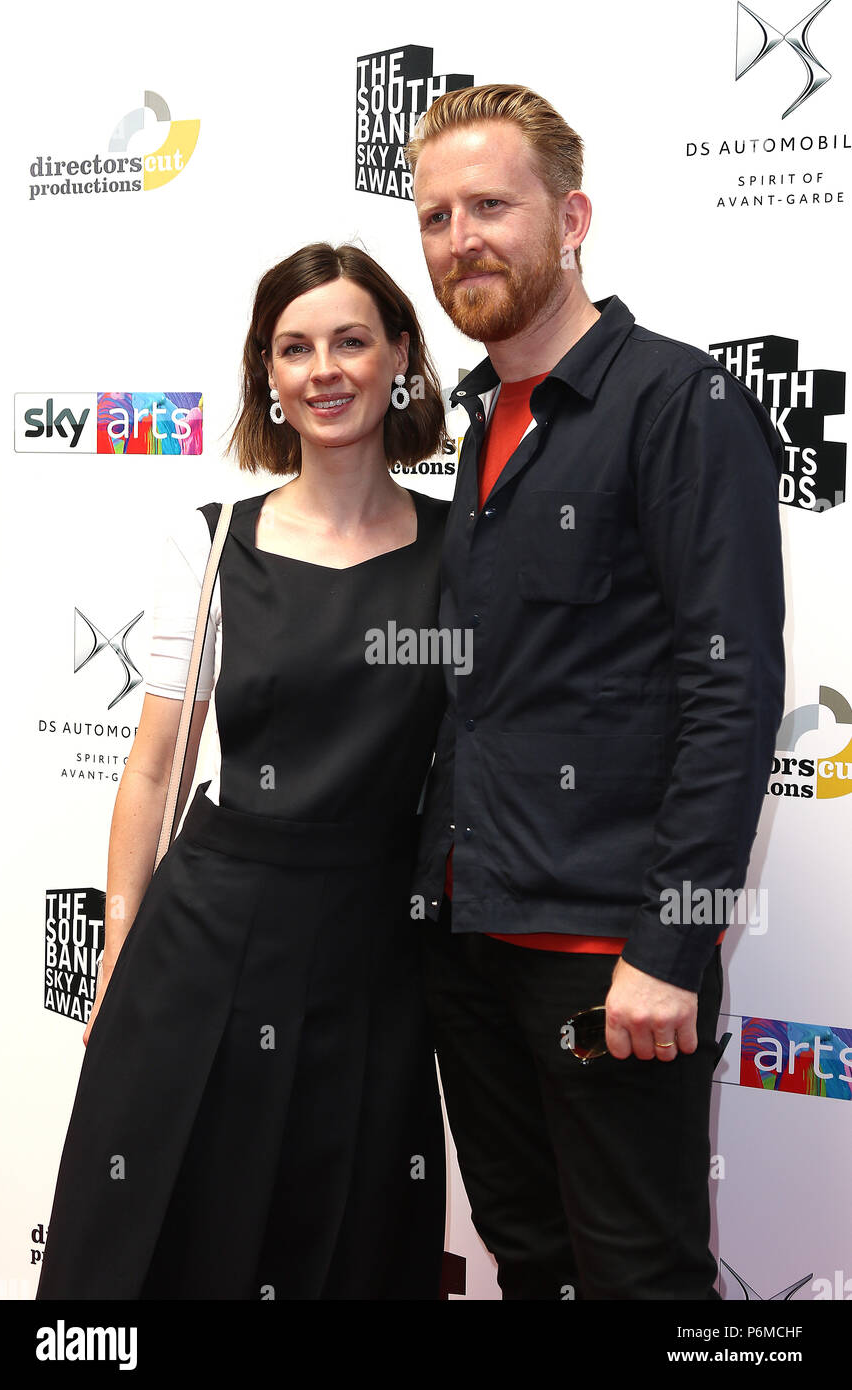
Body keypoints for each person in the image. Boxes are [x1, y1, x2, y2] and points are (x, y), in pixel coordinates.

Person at [407, 85, 786, 1300]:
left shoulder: (679, 403)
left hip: (605, 959)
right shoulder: (480, 422)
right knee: (531, 1260)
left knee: (637, 1276)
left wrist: (669, 946)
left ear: (570, 217)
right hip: (473, 942)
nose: (459, 237)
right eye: (434, 215)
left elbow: (730, 693)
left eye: (489, 206)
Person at [36, 242, 450, 1301]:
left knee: (343, 1238)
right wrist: (119, 945)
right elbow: (154, 763)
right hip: (205, 942)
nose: (324, 369)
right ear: (266, 373)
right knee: (157, 1236)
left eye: (351, 340)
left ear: (399, 355)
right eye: (294, 347)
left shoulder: (464, 549)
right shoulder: (216, 540)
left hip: (371, 953)